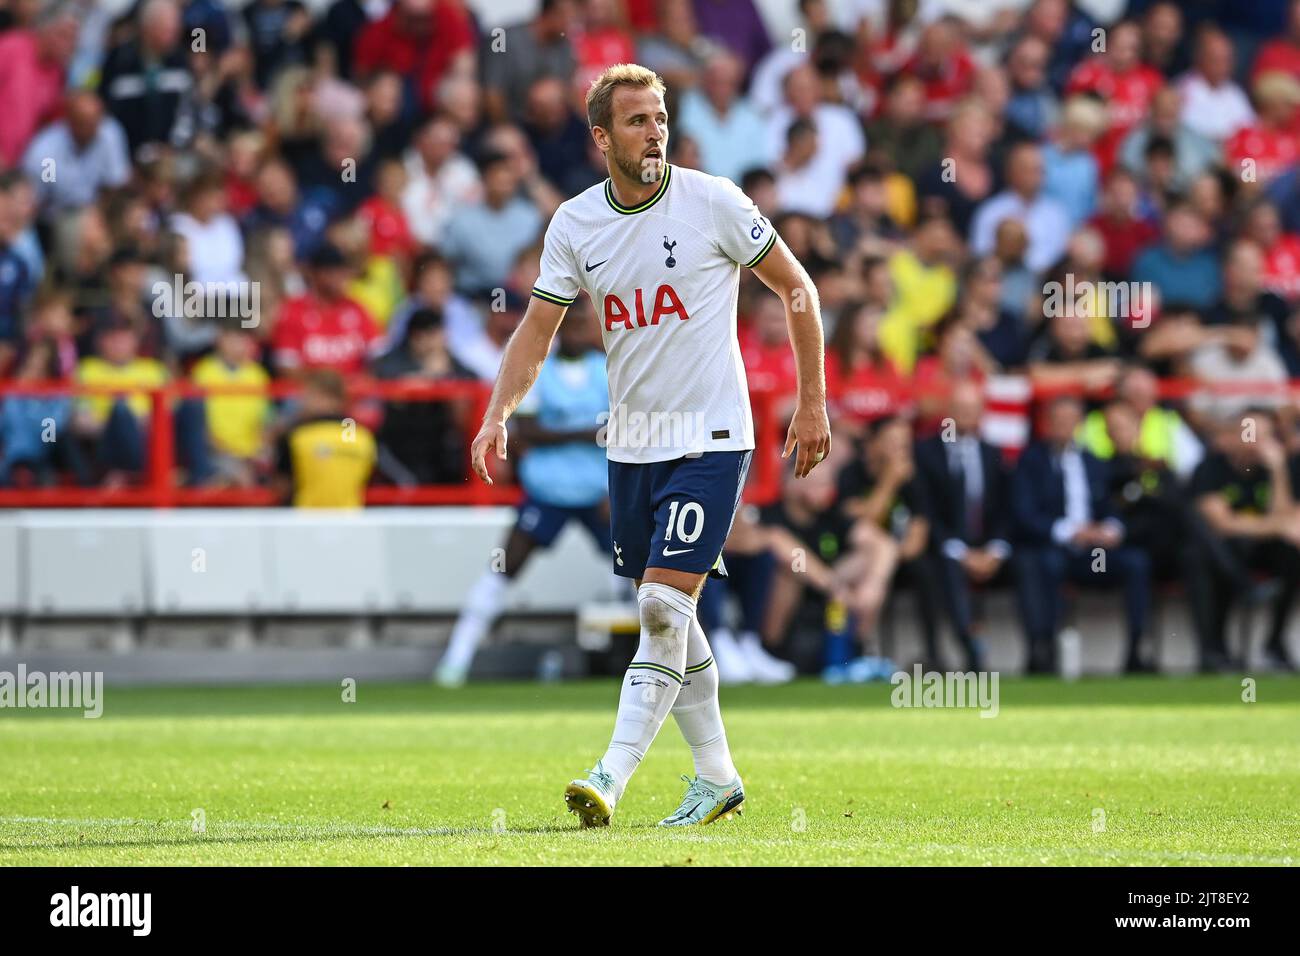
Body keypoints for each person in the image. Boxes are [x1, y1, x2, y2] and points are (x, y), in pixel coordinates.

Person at [469, 64, 830, 829]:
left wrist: (811, 402)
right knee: (668, 613)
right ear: (602, 137)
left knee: (664, 605)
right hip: (631, 444)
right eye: (636, 121)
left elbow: (798, 289)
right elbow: (538, 329)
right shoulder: (574, 224)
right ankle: (718, 777)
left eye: (660, 117)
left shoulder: (714, 202)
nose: (655, 131)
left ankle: (612, 772)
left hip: (713, 435)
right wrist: (500, 409)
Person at [438, 300, 611, 686]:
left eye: (584, 324)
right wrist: (588, 433)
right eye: (571, 324)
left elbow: (623, 432)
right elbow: (526, 432)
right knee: (505, 565)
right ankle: (456, 659)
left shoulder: (606, 370)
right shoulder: (538, 369)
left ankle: (658, 661)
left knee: (636, 566)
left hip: (599, 491)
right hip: (547, 491)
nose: (578, 331)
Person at [1011, 395, 1152, 674]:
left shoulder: (1093, 461)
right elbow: (1024, 513)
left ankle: (1136, 649)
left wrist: (1110, 529)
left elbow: (1110, 508)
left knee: (1136, 563)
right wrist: (1069, 531)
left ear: (1080, 424)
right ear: (1047, 424)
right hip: (1056, 547)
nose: (1064, 426)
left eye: (1070, 420)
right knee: (1044, 565)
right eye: (1058, 421)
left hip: (1095, 554)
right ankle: (1044, 650)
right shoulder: (1032, 461)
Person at [1185, 411, 1300, 672]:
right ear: (1232, 436)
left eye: (1264, 436)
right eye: (1250, 434)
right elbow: (1222, 524)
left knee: (1293, 553)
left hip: (1263, 549)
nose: (1256, 442)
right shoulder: (1212, 467)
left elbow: (1288, 519)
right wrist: (1273, 526)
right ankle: (1215, 650)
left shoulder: (1285, 467)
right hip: (1225, 552)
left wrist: (1278, 472)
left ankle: (1275, 642)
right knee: (1204, 553)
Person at [914, 382, 1010, 673]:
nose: (967, 415)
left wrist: (995, 550)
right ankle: (970, 653)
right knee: (940, 571)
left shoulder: (994, 454)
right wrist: (961, 553)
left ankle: (1043, 654)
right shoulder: (926, 452)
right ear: (948, 412)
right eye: (960, 409)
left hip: (989, 548)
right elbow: (926, 510)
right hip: (946, 548)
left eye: (973, 409)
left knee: (1041, 563)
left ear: (982, 413)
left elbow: (1006, 510)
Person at [273, 368, 375, 508]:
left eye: (307, 395)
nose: (302, 402)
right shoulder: (362, 437)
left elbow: (282, 487)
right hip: (351, 519)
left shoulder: (297, 435)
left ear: (323, 397)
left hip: (306, 520)